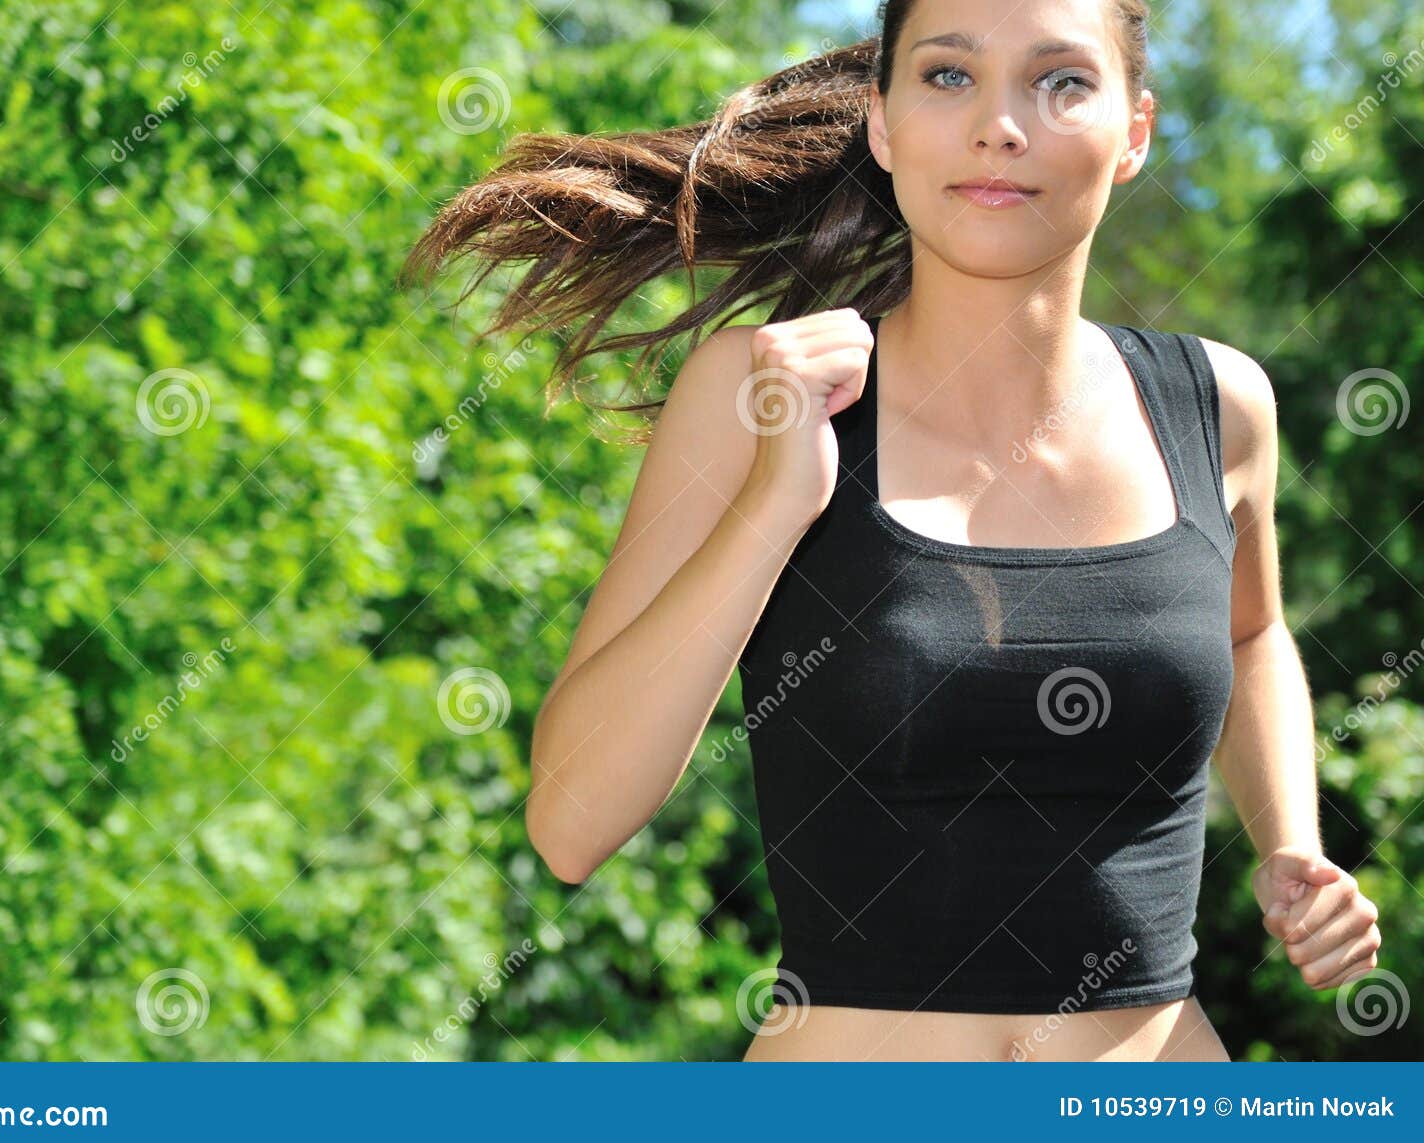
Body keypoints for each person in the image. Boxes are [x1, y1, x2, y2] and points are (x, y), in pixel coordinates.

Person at [402, 0, 1382, 1060]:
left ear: (1134, 131)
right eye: (949, 77)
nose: (999, 126)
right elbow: (570, 823)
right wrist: (774, 506)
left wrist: (1290, 844)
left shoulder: (1219, 406)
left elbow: (1251, 632)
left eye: (1060, 83)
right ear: (881, 123)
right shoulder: (760, 391)